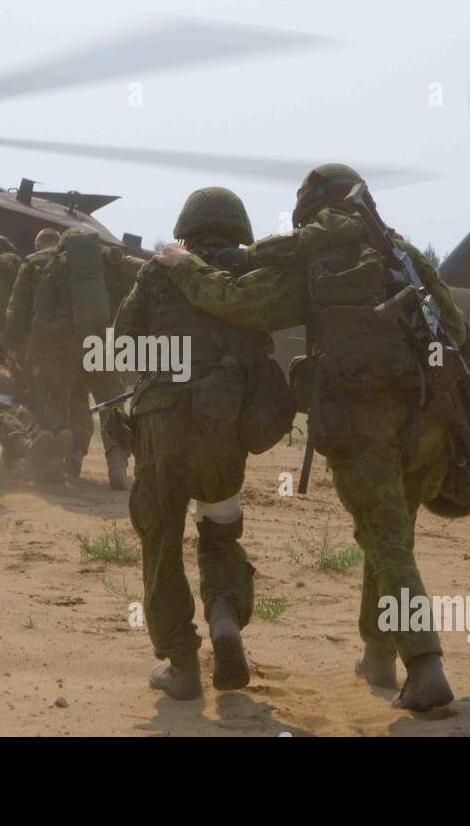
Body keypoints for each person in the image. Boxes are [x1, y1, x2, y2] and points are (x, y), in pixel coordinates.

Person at [153, 164, 464, 712]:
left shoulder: (316, 260)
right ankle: (377, 654)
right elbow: (455, 326)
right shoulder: (400, 255)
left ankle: (426, 664)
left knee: (387, 540)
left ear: (307, 212)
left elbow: (237, 301)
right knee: (390, 536)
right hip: (428, 419)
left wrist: (183, 268)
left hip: (365, 426)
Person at [115, 187, 282, 700]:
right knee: (219, 533)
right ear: (240, 227)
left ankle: (182, 665)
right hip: (223, 426)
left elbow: (123, 339)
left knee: (162, 540)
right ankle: (226, 618)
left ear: (187, 226)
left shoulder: (159, 270)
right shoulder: (252, 275)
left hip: (162, 427)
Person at [6, 226, 142, 489]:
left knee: (59, 401)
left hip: (57, 347)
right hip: (98, 340)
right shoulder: (101, 262)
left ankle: (67, 460)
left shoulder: (36, 263)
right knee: (110, 400)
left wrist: (14, 346)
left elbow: (17, 310)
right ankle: (116, 460)